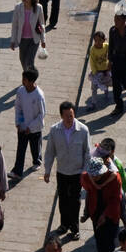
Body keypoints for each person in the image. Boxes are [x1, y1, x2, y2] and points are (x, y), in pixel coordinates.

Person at [43, 101, 91, 241]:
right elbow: (50, 152)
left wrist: (85, 172)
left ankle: (75, 228)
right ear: (61, 116)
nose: (69, 118)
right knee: (63, 199)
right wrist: (47, 170)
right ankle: (64, 224)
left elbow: (87, 153)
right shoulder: (55, 130)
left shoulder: (83, 130)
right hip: (62, 171)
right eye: (66, 116)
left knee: (75, 201)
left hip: (77, 172)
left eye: (71, 115)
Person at [10, 67, 46, 177]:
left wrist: (31, 127)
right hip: (23, 127)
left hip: (35, 128)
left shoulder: (39, 95)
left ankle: (37, 160)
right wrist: (19, 122)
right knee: (21, 149)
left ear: (31, 81)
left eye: (24, 79)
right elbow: (18, 107)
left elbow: (42, 114)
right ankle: (17, 171)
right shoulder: (21, 91)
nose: (22, 81)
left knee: (35, 147)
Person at [10, 0, 47, 74]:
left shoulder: (38, 8)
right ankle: (29, 75)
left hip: (34, 40)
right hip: (22, 40)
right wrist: (13, 40)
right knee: (22, 60)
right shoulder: (18, 7)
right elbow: (14, 25)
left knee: (29, 61)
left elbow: (42, 24)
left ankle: (30, 78)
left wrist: (43, 40)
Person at [88, 30, 112, 105]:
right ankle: (93, 102)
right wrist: (95, 72)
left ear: (104, 40)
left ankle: (106, 95)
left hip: (106, 70)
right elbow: (92, 62)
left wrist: (110, 65)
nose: (97, 42)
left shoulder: (106, 46)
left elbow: (110, 54)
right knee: (94, 87)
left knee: (106, 83)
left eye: (100, 40)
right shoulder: (92, 49)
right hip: (97, 72)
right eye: (96, 40)